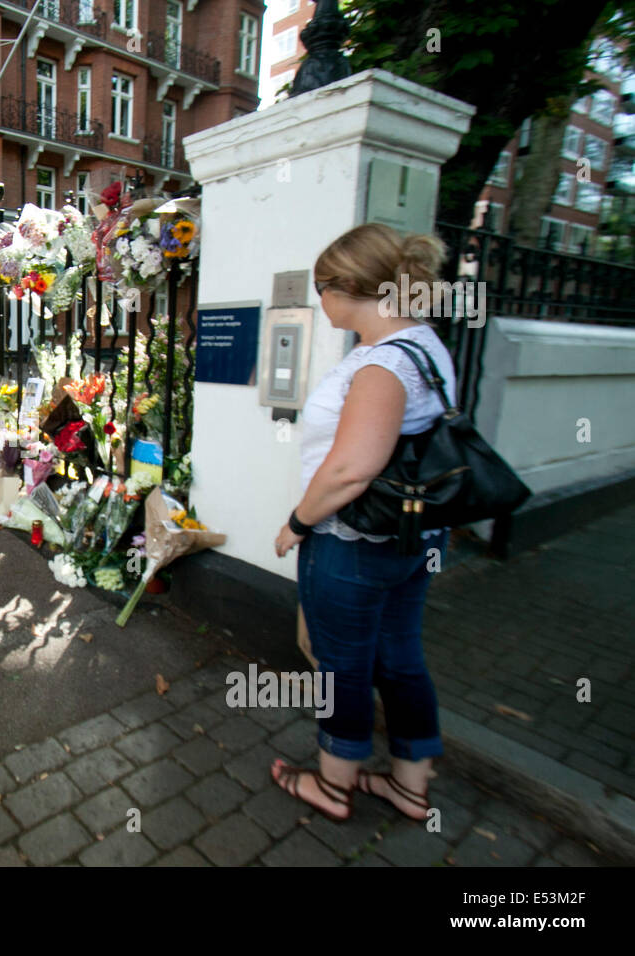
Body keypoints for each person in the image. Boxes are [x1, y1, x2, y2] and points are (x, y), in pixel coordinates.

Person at [270, 223, 458, 822]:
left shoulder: (382, 363)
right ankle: (409, 786)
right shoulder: (427, 347)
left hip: (352, 543)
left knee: (340, 666)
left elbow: (352, 468)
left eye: (321, 289)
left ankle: (332, 784)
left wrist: (297, 524)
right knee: (400, 656)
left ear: (347, 286)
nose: (319, 303)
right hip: (413, 538)